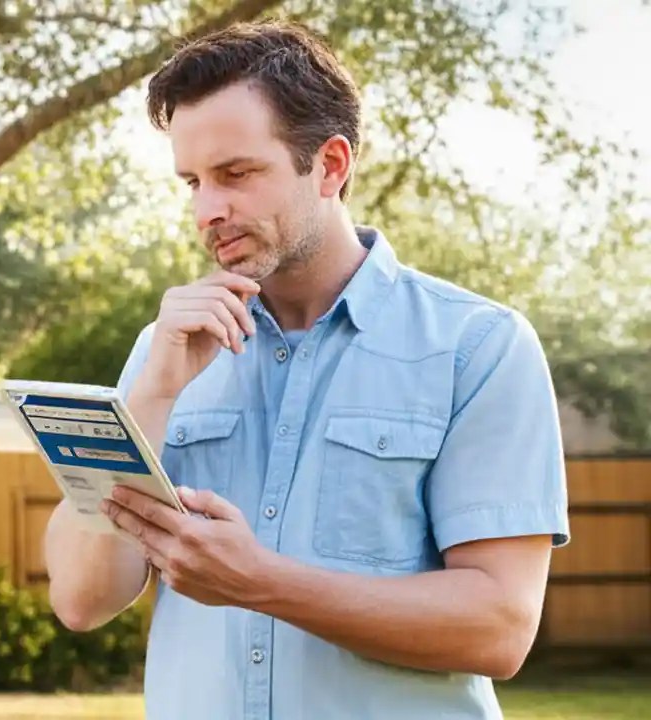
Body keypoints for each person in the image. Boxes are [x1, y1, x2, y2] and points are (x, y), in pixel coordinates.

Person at [41, 19, 570, 720]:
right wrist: (153, 394)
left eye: (237, 174)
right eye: (193, 182)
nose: (208, 210)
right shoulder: (162, 354)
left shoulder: (476, 347)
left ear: (331, 165)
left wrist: (260, 581)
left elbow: (499, 626)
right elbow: (81, 599)